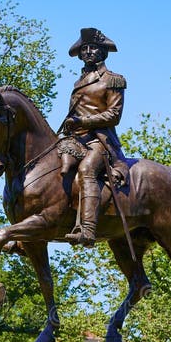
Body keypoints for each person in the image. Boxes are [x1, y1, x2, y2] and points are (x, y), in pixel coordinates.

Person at [59, 28, 129, 246]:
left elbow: (113, 115)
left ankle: (88, 230)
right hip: (74, 138)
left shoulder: (113, 80)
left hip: (99, 141)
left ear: (103, 52)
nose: (88, 52)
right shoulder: (79, 82)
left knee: (87, 170)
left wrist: (83, 122)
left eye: (93, 48)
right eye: (85, 49)